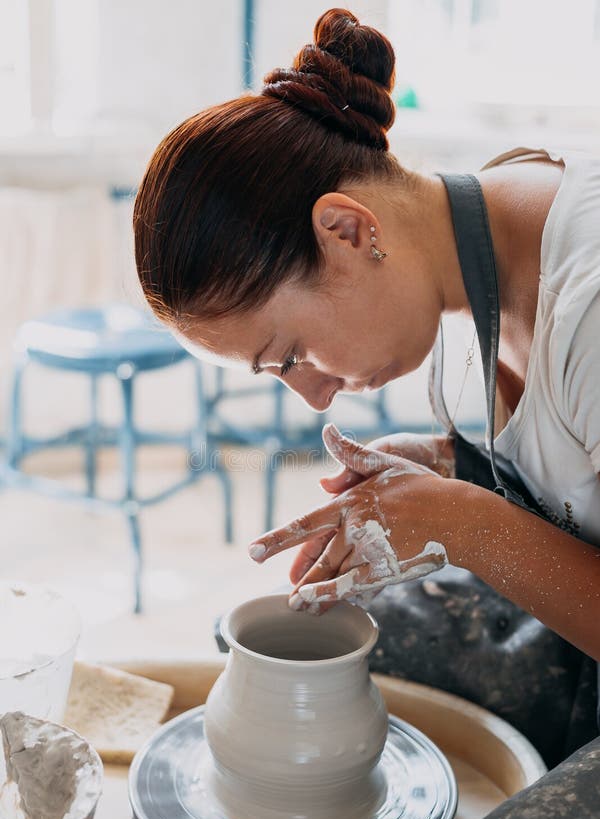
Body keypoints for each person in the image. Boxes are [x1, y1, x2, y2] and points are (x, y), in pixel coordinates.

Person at [133, 8, 600, 663]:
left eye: (291, 355)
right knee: (269, 647)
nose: (318, 398)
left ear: (347, 232)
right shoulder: (474, 238)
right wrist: (447, 466)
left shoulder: (588, 300)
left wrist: (465, 521)